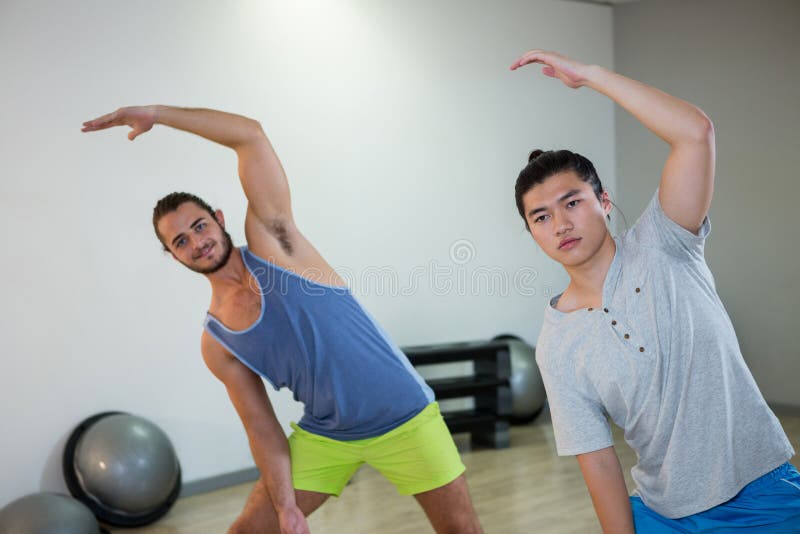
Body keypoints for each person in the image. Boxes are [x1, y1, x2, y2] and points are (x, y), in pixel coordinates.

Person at [81, 106, 483, 534]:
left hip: (405, 416)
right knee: (247, 532)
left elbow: (249, 136)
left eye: (199, 226)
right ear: (173, 255)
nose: (197, 242)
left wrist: (157, 114)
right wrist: (287, 507)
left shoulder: (276, 244)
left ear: (218, 219)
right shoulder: (217, 341)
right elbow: (262, 428)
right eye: (181, 241)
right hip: (329, 434)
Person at [510, 50, 799, 532]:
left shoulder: (664, 243)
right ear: (533, 233)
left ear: (603, 202)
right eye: (541, 217)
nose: (560, 224)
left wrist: (592, 77)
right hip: (666, 516)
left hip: (763, 495)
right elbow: (598, 460)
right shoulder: (557, 343)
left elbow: (695, 133)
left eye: (572, 202)